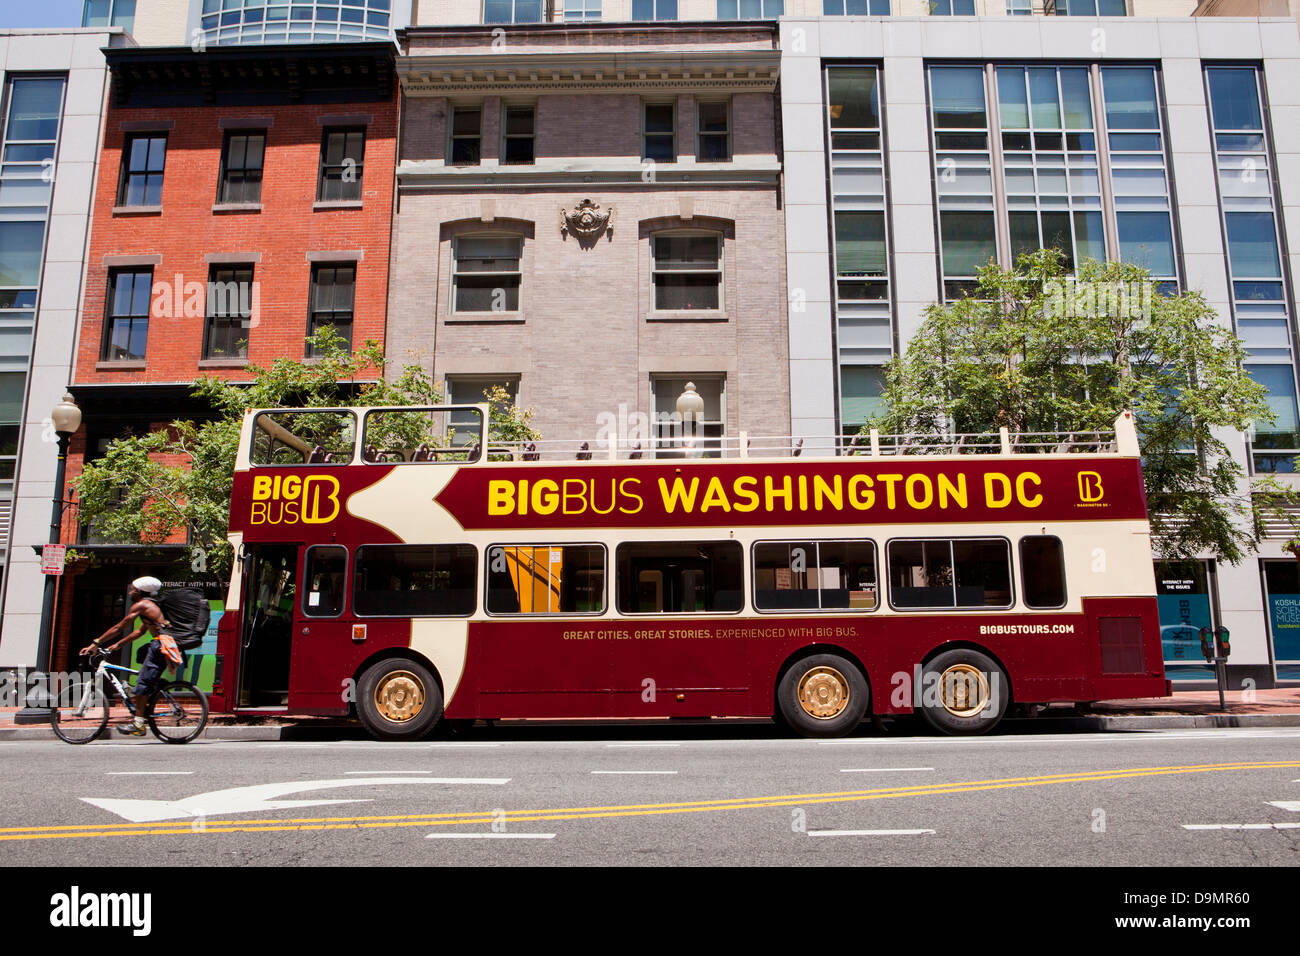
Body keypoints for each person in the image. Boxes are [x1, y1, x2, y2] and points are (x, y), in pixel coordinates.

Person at [79, 575, 184, 737]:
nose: (130, 593)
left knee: (141, 683)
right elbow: (139, 631)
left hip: (159, 645)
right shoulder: (151, 605)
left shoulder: (142, 605)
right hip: (161, 644)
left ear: (141, 592)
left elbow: (119, 627)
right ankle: (154, 684)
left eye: (134, 590)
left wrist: (96, 642)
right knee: (141, 654)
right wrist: (118, 645)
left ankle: (138, 723)